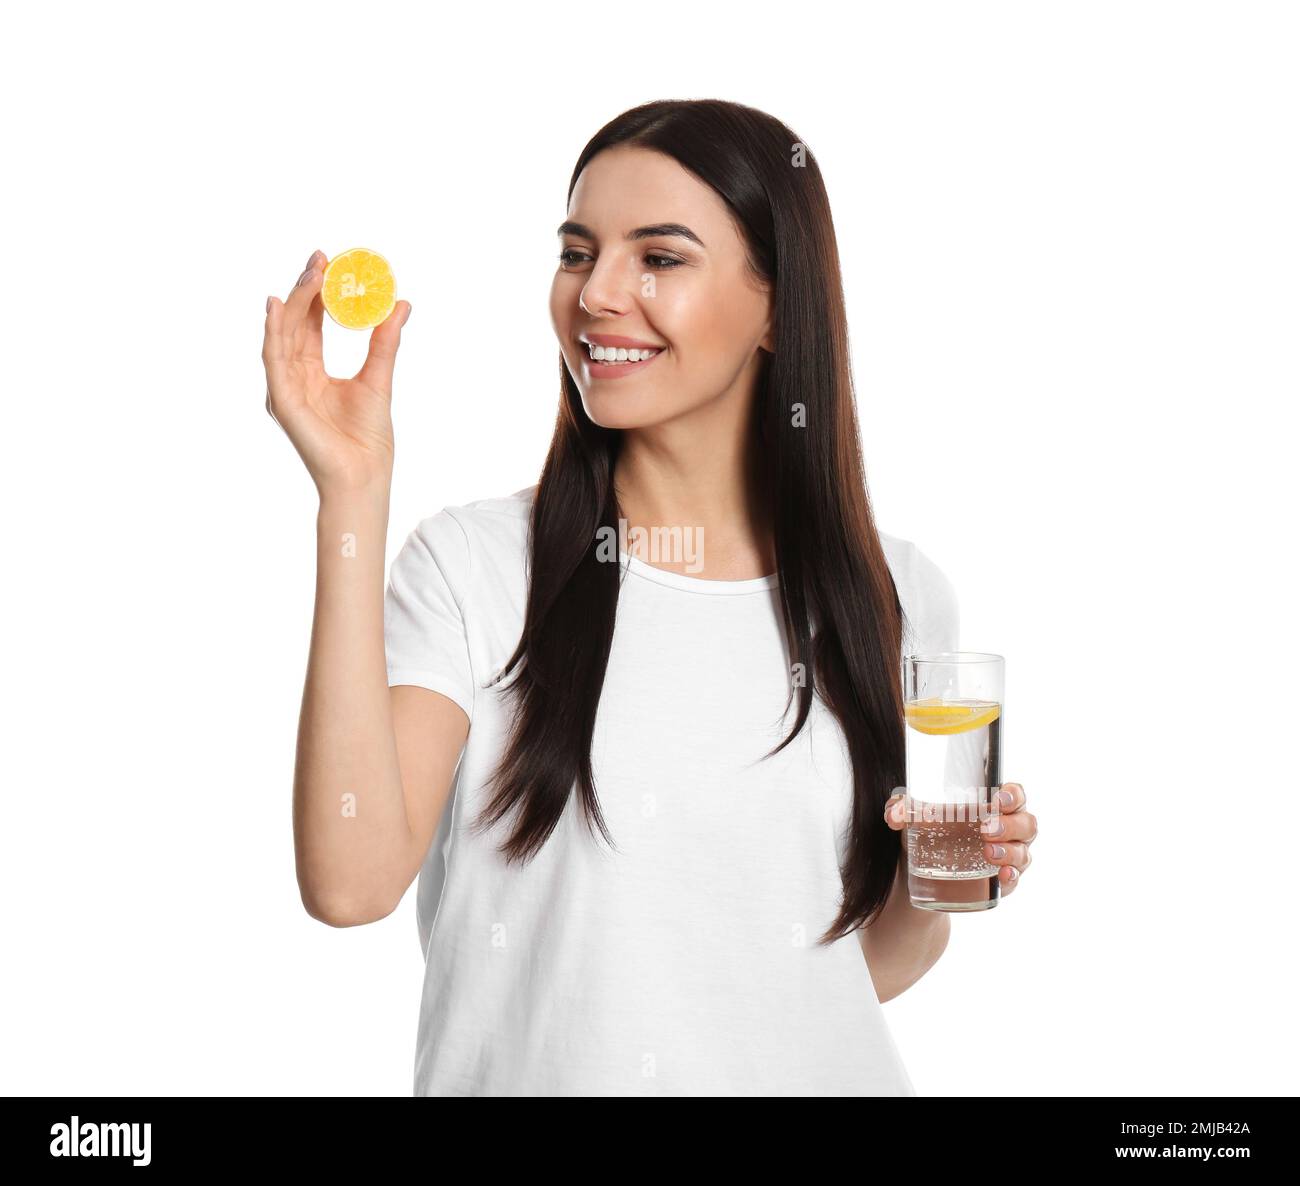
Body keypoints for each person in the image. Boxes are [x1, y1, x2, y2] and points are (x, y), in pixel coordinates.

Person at [261, 98, 1037, 1097]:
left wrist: (949, 879)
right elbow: (349, 880)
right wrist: (351, 493)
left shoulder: (893, 593)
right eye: (578, 252)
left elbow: (859, 967)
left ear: (774, 304)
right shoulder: (477, 568)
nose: (597, 294)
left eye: (658, 258)